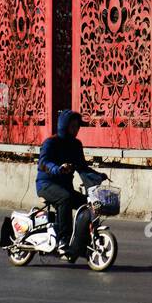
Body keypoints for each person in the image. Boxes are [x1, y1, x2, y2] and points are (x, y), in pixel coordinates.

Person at [37, 109, 104, 263]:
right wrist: (58, 169)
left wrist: (97, 176)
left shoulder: (76, 145)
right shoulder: (51, 142)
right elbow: (43, 163)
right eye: (72, 126)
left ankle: (81, 243)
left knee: (87, 204)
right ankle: (63, 240)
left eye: (77, 127)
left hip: (64, 187)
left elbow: (82, 167)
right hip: (46, 184)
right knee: (65, 198)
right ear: (64, 126)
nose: (75, 130)